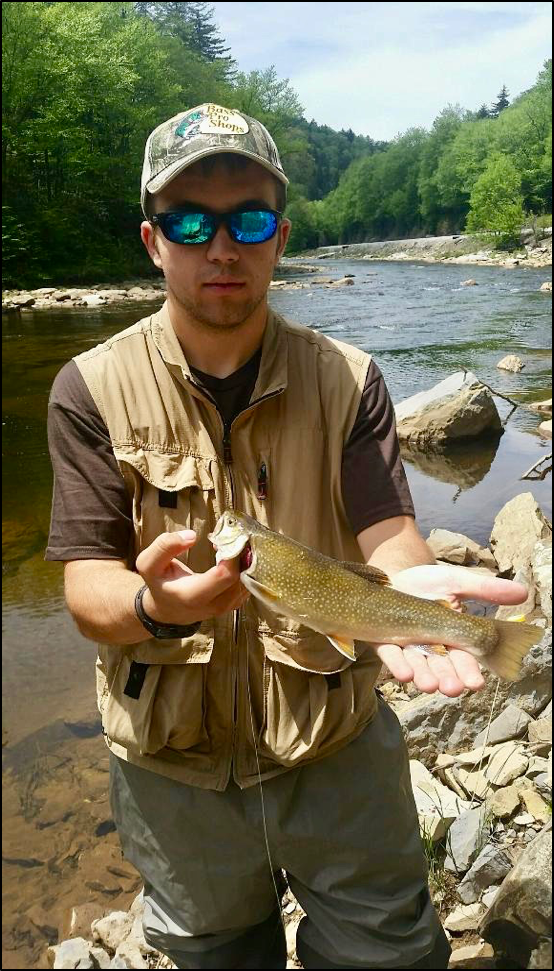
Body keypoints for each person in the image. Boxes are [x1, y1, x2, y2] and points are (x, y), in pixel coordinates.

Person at [46, 102, 530, 970]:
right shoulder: (89, 387)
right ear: (153, 240)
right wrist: (154, 606)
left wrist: (421, 604)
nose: (221, 246)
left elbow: (391, 539)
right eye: (190, 220)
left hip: (339, 745)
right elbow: (86, 583)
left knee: (389, 955)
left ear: (281, 236)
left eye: (249, 219)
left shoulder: (351, 379)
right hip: (171, 771)